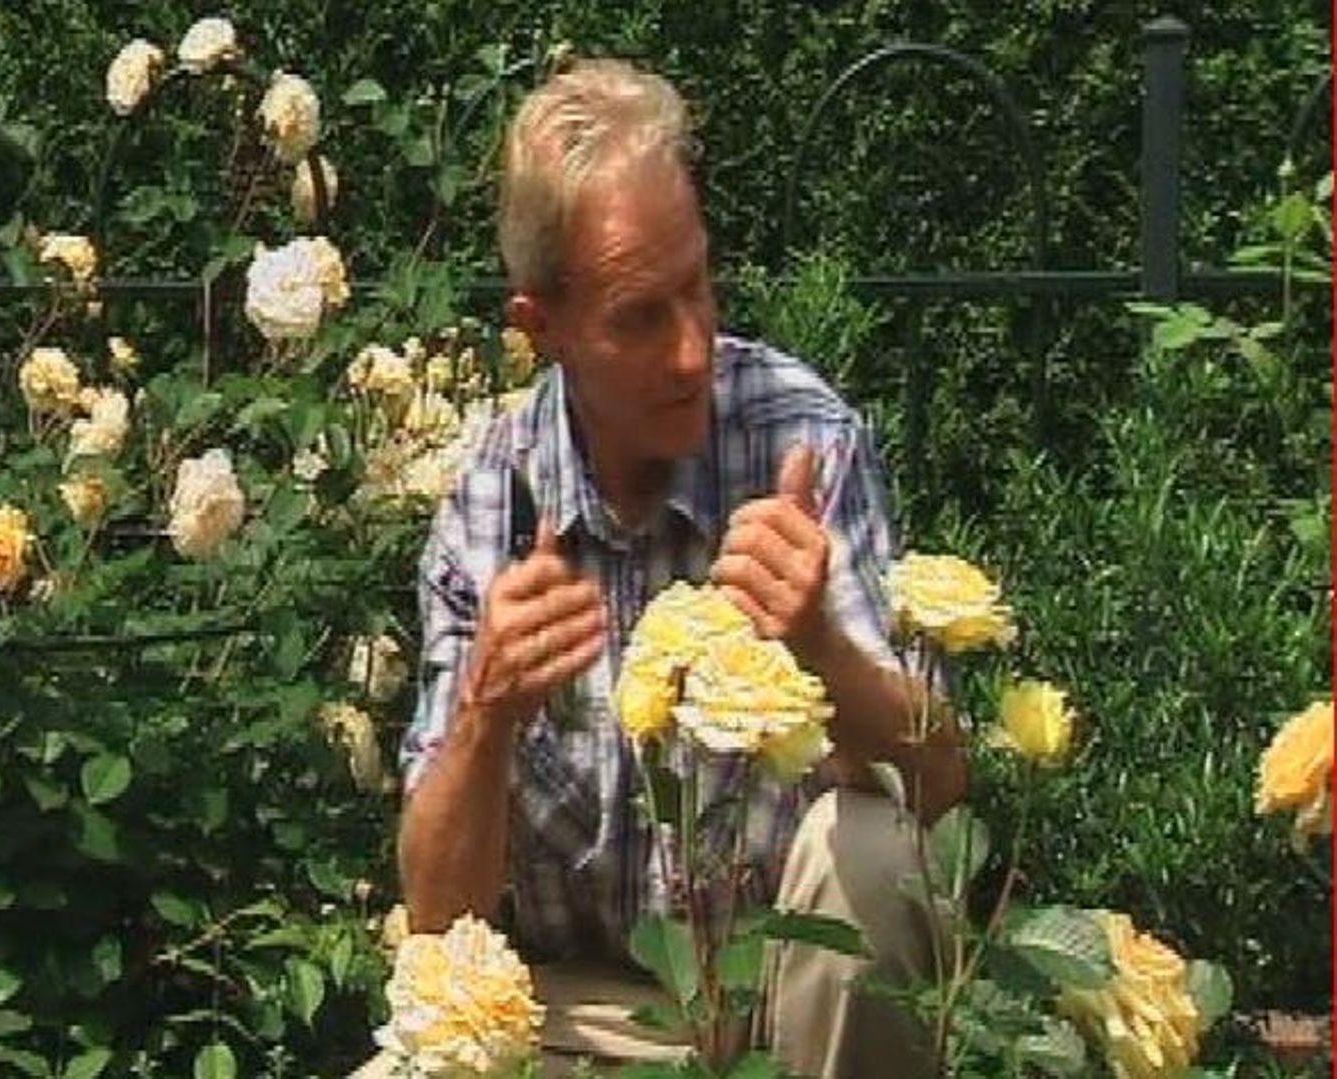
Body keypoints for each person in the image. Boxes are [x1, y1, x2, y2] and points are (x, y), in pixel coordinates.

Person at [393, 59, 966, 1076]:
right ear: (542, 328)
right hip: (574, 1021)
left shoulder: (799, 436)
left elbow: (939, 783)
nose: (694, 348)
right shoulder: (494, 502)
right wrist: (484, 716)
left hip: (788, 1002)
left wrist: (820, 644)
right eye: (640, 315)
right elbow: (439, 921)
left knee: (875, 854)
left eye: (697, 284)